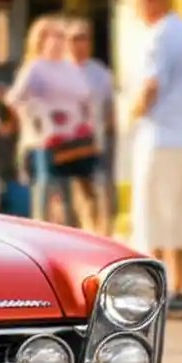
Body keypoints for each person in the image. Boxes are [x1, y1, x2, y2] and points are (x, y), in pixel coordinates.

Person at [126, 0, 182, 314]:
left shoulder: (158, 36)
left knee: (152, 214)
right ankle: (180, 287)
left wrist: (130, 115)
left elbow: (150, 85)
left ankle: (155, 290)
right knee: (180, 213)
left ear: (150, 0)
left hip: (160, 135)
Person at [4, 15, 99, 231]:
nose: (57, 40)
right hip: (45, 142)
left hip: (71, 143)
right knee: (46, 190)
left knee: (69, 196)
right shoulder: (35, 69)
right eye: (52, 35)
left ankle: (70, 237)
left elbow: (85, 100)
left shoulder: (71, 69)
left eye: (60, 35)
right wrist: (35, 119)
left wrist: (85, 124)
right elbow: (14, 99)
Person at [67, 18, 116, 234]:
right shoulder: (57, 70)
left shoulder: (101, 73)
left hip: (96, 141)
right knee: (74, 196)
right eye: (75, 38)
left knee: (101, 193)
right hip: (66, 144)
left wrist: (108, 131)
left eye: (84, 38)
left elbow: (110, 107)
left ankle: (102, 233)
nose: (80, 43)